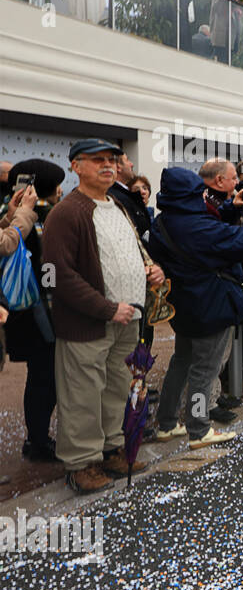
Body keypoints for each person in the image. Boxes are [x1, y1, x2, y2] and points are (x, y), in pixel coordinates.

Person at [43, 139, 166, 492]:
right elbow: (56, 275)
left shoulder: (116, 206)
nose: (108, 165)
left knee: (118, 388)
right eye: (97, 160)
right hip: (89, 321)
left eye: (112, 159)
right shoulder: (67, 212)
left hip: (127, 317)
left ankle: (112, 448)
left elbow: (129, 251)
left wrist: (150, 268)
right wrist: (107, 307)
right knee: (82, 393)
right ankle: (81, 464)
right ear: (76, 166)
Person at [148, 162, 243, 445]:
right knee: (205, 370)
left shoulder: (164, 221)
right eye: (198, 193)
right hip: (211, 304)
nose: (203, 197)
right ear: (190, 195)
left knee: (181, 363)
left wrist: (234, 208)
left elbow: (209, 228)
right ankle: (198, 428)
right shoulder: (195, 226)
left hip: (185, 304)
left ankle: (166, 423)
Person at [1, 160, 65, 462]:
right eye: (58, 185)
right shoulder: (37, 218)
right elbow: (46, 267)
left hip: (25, 311)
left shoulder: (11, 212)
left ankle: (37, 437)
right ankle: (38, 440)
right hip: (38, 312)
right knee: (44, 377)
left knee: (41, 376)